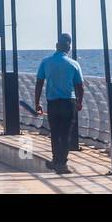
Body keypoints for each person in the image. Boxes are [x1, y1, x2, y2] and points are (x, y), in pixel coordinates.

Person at [34, 33, 83, 174]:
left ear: (56, 46)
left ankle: (57, 161)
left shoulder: (46, 62)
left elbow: (39, 83)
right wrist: (79, 102)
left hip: (53, 103)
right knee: (66, 133)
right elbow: (80, 86)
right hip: (69, 103)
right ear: (69, 48)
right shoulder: (74, 64)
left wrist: (37, 103)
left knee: (55, 133)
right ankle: (62, 163)